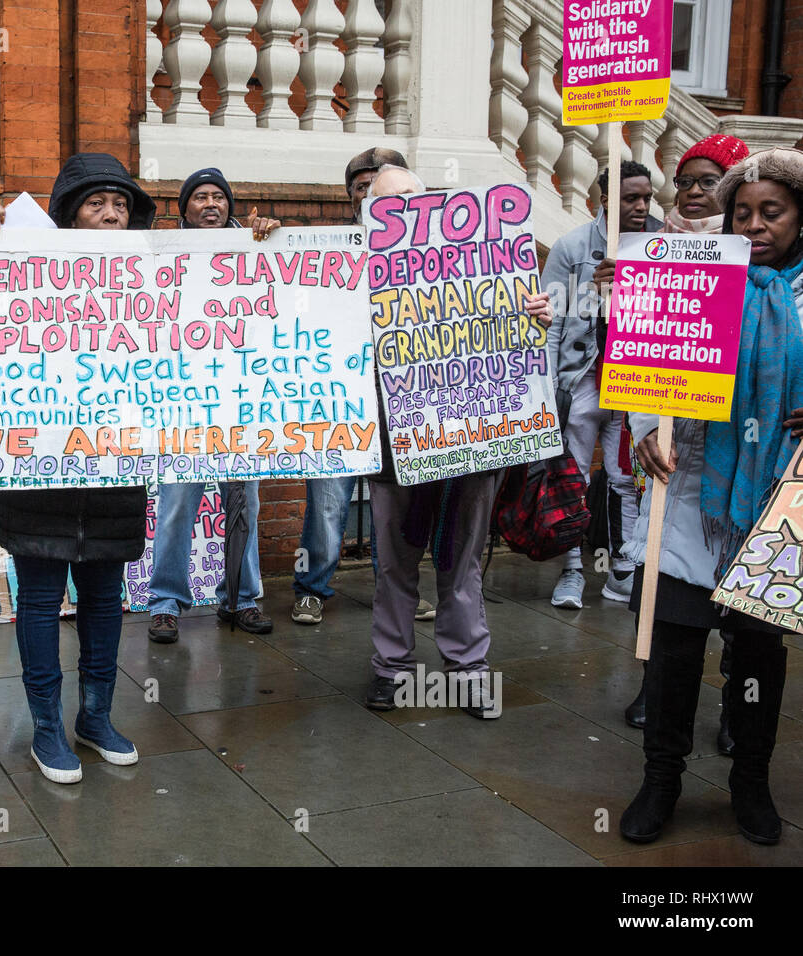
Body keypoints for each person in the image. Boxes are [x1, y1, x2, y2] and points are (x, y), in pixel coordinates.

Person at [620, 147, 803, 846]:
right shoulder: (693, 273)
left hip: (776, 503)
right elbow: (644, 363)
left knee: (758, 654)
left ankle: (750, 784)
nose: (756, 225)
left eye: (773, 212)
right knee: (671, 651)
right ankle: (660, 779)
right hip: (691, 491)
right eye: (743, 212)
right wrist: (645, 430)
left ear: (798, 218)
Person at [0, 153, 153, 784]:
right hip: (38, 472)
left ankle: (95, 718)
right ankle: (47, 727)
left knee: (106, 599)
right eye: (96, 202)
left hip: (114, 466)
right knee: (42, 600)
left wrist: (258, 239)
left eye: (122, 204)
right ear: (67, 212)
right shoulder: (19, 260)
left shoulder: (155, 274)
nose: (110, 213)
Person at [361, 166, 552, 719]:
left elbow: (519, 349)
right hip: (396, 449)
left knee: (462, 560)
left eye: (414, 200)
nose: (406, 213)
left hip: (471, 441)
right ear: (370, 212)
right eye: (390, 205)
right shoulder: (352, 271)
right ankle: (391, 670)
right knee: (396, 563)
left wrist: (536, 315)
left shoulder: (480, 264)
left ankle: (466, 671)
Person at [620, 134, 749, 740]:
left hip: (744, 466)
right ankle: (660, 701)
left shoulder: (770, 269)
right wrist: (645, 425)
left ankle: (735, 707)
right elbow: (640, 353)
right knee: (668, 600)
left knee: (741, 611)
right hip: (679, 460)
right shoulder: (654, 256)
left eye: (711, 183)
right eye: (688, 181)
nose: (696, 193)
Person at [290, 147, 434, 626]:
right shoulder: (329, 245)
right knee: (328, 504)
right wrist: (265, 244)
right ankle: (311, 588)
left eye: (386, 186)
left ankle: (396, 589)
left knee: (393, 508)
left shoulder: (433, 250)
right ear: (353, 195)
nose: (374, 195)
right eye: (362, 187)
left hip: (401, 397)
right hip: (339, 400)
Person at [146, 168, 280, 644]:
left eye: (219, 197)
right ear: (183, 209)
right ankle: (165, 604)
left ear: (230, 207)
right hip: (183, 406)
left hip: (241, 405)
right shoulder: (157, 251)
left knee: (245, 503)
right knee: (178, 505)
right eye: (199, 197)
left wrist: (267, 237)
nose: (210, 204)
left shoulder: (254, 247)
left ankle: (241, 598)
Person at [542, 160, 662, 610]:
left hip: (631, 383)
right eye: (631, 197)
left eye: (646, 197)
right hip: (582, 380)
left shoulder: (658, 246)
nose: (641, 205)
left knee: (626, 478)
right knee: (569, 476)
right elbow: (550, 320)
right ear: (605, 200)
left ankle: (623, 570)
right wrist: (549, 386)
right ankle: (571, 569)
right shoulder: (572, 245)